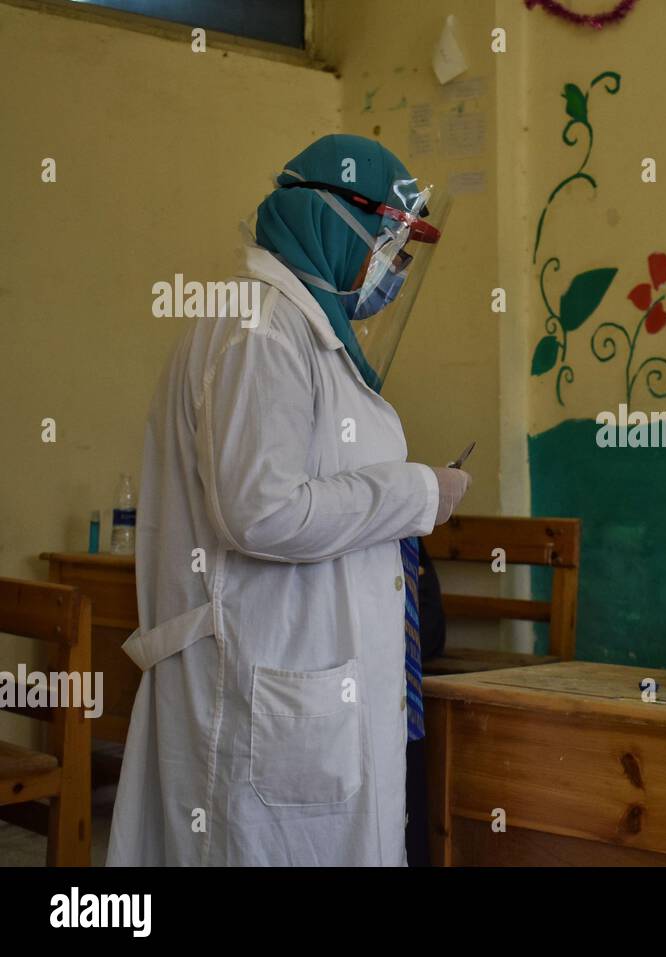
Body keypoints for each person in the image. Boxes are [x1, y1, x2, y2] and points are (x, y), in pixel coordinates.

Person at [107, 135, 468, 865]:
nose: (394, 269)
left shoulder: (293, 328)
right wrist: (418, 491)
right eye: (392, 246)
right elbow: (261, 511)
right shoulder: (261, 331)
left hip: (297, 682)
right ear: (338, 221)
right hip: (265, 691)